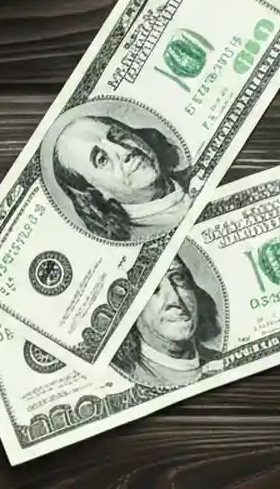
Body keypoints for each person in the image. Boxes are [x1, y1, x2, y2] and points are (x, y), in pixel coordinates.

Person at [50, 114, 191, 242]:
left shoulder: (193, 173)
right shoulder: (137, 240)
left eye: (116, 136)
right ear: (97, 192)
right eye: (102, 159)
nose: (124, 151)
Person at [110, 256, 222, 388]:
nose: (175, 300)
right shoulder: (121, 377)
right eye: (153, 288)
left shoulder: (221, 361)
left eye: (178, 278)